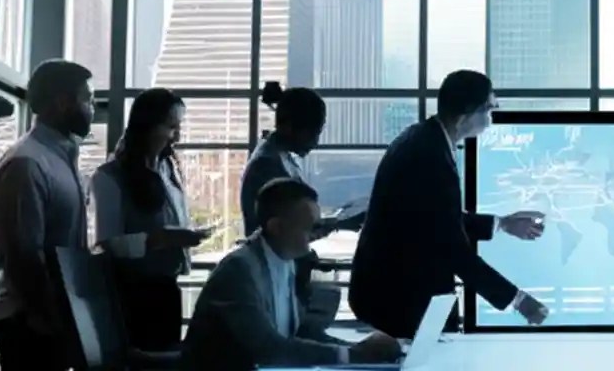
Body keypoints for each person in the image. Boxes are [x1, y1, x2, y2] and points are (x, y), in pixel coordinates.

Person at [349, 69, 549, 338]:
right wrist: (518, 300)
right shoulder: (429, 156)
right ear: (466, 112)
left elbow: (434, 220)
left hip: (389, 289)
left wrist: (502, 224)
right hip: (399, 297)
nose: (491, 118)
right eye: (489, 108)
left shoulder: (422, 140)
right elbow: (452, 249)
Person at [181, 178, 402, 371]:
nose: (317, 234)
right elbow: (269, 349)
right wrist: (352, 355)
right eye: (310, 227)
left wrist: (356, 351)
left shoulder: (287, 261)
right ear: (276, 227)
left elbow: (298, 335)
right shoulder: (239, 272)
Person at [0, 60, 96, 371]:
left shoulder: (59, 158)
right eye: (87, 99)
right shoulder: (27, 163)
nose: (92, 108)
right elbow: (24, 253)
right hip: (30, 322)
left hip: (53, 316)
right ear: (63, 103)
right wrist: (48, 318)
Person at [91, 88, 210, 352]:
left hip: (167, 290)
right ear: (146, 126)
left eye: (178, 127)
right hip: (133, 296)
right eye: (170, 127)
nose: (176, 136)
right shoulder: (109, 177)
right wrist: (160, 239)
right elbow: (108, 244)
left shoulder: (167, 171)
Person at [240, 82, 332, 237]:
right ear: (289, 126)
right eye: (312, 133)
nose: (315, 141)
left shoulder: (278, 157)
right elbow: (289, 228)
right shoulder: (268, 165)